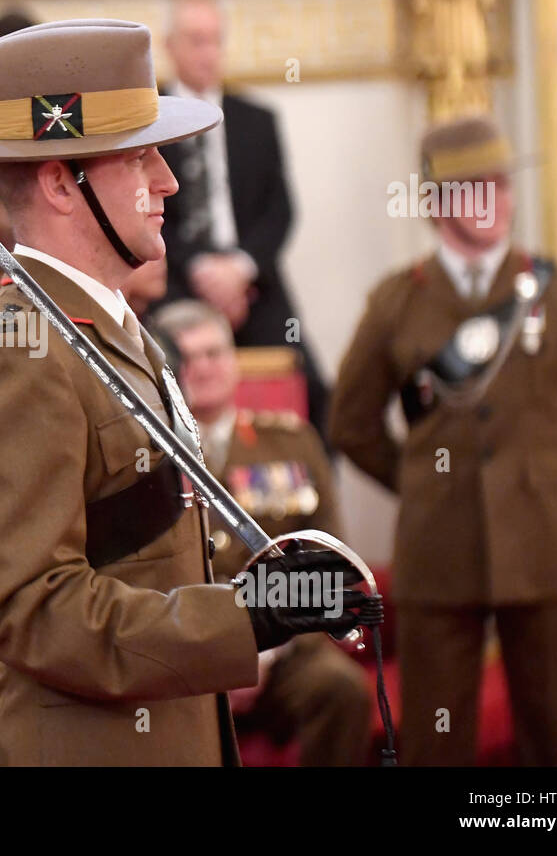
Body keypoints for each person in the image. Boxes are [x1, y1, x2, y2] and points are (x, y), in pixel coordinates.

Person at [0, 18, 368, 766]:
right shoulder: (19, 356)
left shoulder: (111, 330)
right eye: (139, 158)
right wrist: (243, 619)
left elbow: (146, 553)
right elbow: (31, 609)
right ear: (64, 185)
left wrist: (264, 595)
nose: (169, 180)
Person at [330, 114, 557, 766]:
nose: (495, 201)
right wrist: (422, 483)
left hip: (546, 546)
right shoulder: (395, 302)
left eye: (502, 185)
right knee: (435, 746)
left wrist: (545, 481)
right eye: (474, 188)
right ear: (437, 205)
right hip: (438, 551)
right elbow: (351, 425)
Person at [152, 298, 371, 766]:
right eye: (188, 358)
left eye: (215, 353)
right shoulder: (142, 456)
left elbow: (328, 566)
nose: (203, 368)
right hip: (182, 657)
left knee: (341, 691)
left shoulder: (292, 441)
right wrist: (217, 662)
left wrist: (263, 658)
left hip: (281, 652)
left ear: (234, 361)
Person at [160, 0, 329, 440]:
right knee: (156, 377)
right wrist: (200, 269)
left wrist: (238, 269)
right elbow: (148, 210)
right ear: (169, 46)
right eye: (195, 40)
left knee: (315, 386)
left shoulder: (256, 119)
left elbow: (280, 211)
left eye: (215, 40)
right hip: (176, 278)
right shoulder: (150, 118)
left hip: (253, 282)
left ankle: (305, 500)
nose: (207, 52)